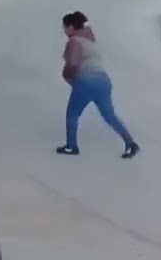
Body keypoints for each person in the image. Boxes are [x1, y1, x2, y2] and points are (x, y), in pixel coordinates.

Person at [58, 11, 140, 159]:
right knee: (109, 115)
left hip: (85, 81)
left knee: (73, 113)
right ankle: (130, 143)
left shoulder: (74, 41)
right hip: (103, 81)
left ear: (71, 27)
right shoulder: (90, 42)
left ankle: (71, 146)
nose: (64, 30)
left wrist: (67, 76)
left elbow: (73, 63)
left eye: (65, 27)